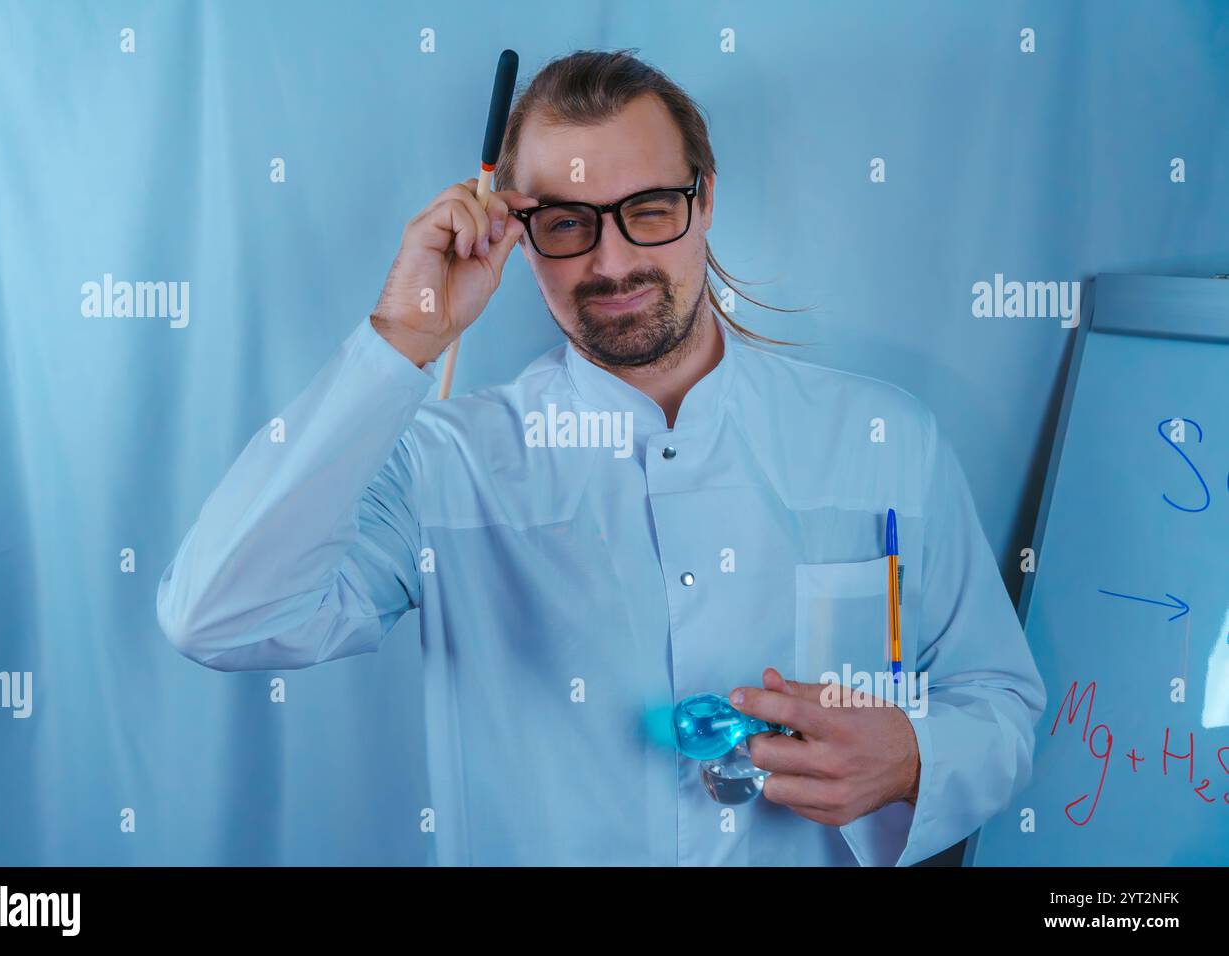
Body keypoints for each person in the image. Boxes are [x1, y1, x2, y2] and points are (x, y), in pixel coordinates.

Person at [156, 50, 1046, 866]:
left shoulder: (881, 436)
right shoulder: (447, 463)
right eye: (568, 223)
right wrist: (400, 342)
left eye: (649, 211)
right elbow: (218, 617)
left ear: (704, 202)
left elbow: (1000, 700)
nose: (612, 261)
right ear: (512, 229)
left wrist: (914, 757)